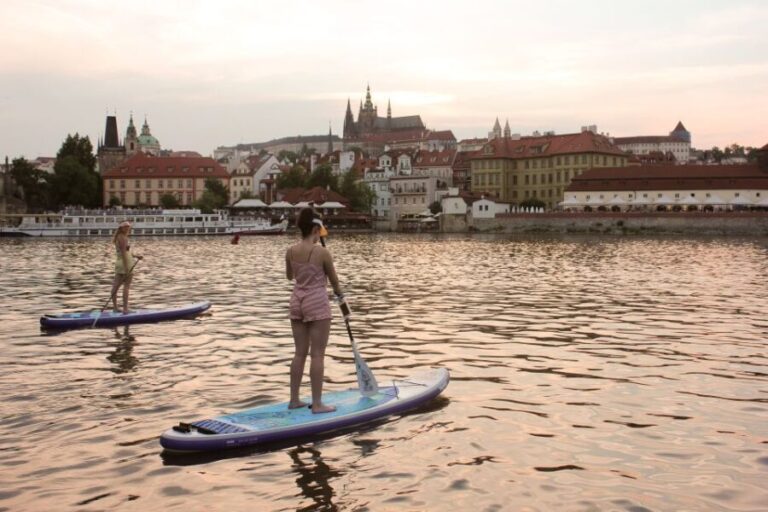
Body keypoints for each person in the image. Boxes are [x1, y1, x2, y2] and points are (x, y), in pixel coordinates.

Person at [286, 208, 343, 414]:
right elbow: (334, 282)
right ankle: (317, 404)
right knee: (317, 355)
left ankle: (294, 400)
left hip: (296, 301)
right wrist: (341, 298)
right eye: (319, 230)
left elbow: (290, 276)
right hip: (317, 301)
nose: (320, 234)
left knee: (299, 353)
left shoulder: (290, 251)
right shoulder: (322, 252)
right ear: (314, 229)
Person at [110, 221, 142, 313]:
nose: (127, 228)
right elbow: (124, 253)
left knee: (115, 286)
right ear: (121, 228)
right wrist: (126, 266)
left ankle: (115, 308)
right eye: (125, 227)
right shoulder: (123, 238)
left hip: (120, 262)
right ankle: (125, 309)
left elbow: (127, 251)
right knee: (126, 286)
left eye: (128, 227)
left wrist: (136, 256)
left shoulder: (119, 237)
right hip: (125, 263)